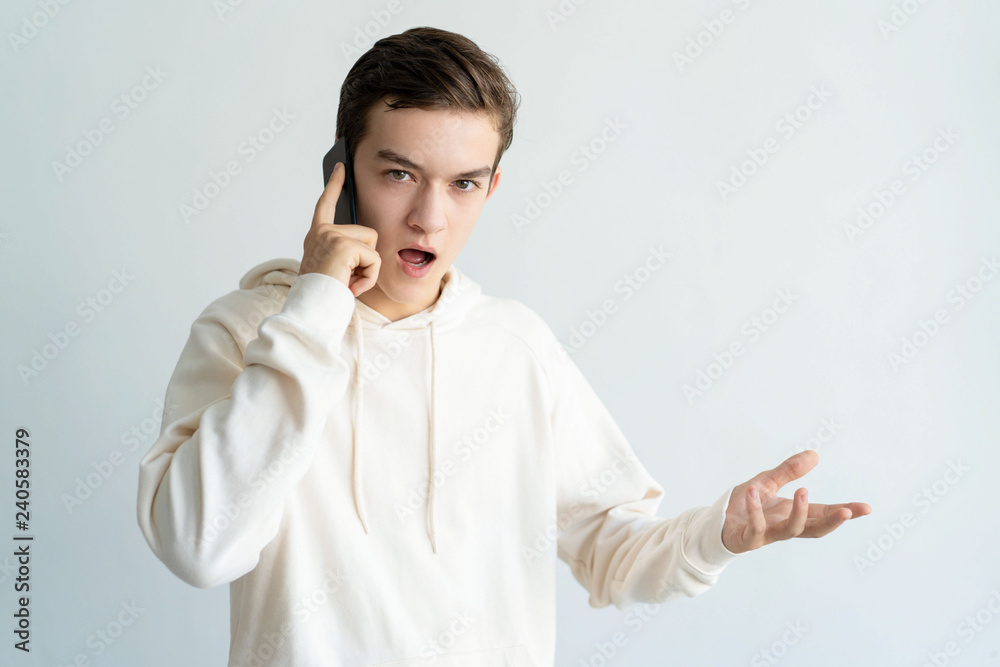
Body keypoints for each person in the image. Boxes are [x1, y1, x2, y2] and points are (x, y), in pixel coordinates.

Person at [136, 26, 871, 666]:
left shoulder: (515, 345)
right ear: (341, 173)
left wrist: (720, 534)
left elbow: (611, 553)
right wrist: (317, 309)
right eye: (399, 174)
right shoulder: (246, 332)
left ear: (491, 187)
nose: (430, 216)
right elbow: (200, 546)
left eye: (463, 183)